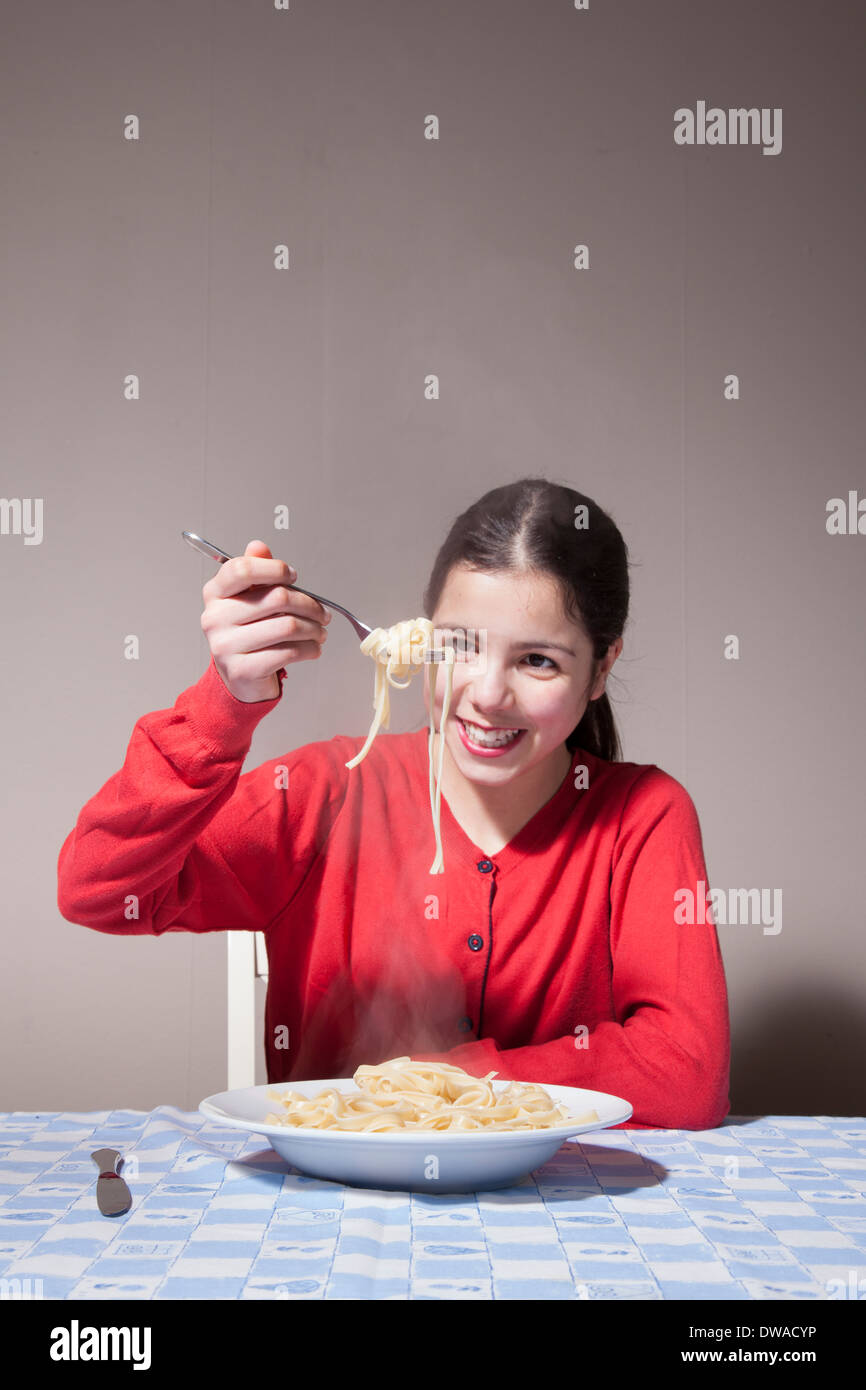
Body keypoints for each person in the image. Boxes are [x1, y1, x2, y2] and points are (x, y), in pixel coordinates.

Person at [57, 477, 730, 1129]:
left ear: (601, 670)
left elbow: (686, 1070)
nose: (487, 694)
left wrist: (447, 1083)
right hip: (335, 1216)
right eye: (459, 646)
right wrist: (223, 707)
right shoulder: (325, 791)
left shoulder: (644, 816)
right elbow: (97, 889)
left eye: (539, 662)